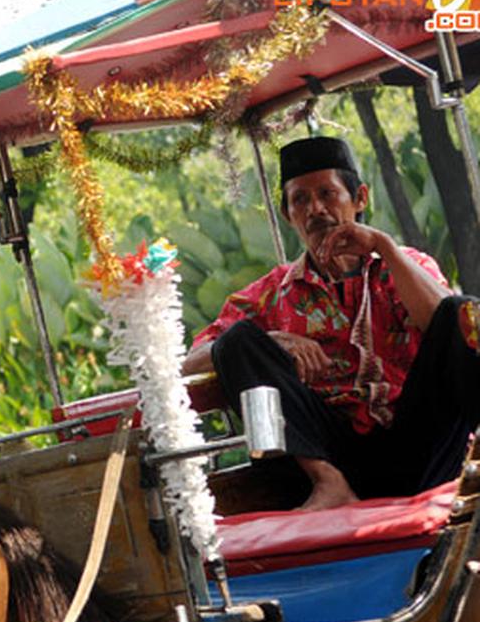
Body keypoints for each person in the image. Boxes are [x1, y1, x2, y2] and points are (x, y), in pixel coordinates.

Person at [182, 136, 480, 511]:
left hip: (420, 449)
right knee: (237, 339)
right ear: (288, 215)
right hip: (330, 457)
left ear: (360, 199)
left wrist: (384, 247)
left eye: (327, 193)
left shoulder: (406, 264)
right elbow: (190, 364)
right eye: (300, 200)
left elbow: (453, 326)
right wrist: (274, 341)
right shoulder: (269, 295)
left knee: (461, 310)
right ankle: (329, 483)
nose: (315, 209)